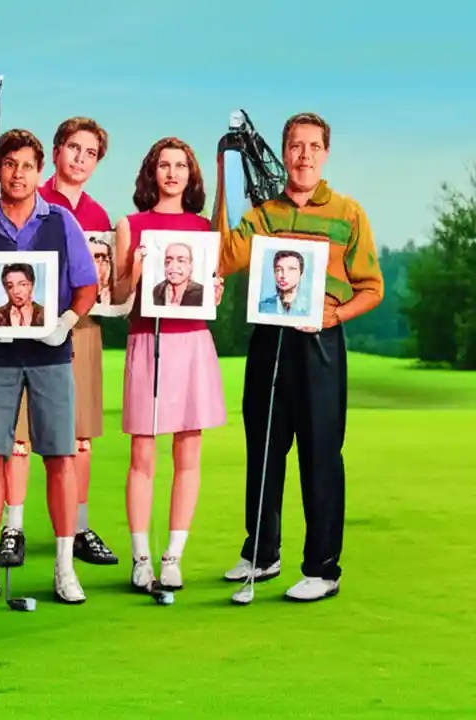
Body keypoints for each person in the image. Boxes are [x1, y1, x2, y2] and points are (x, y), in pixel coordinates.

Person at [218, 112, 382, 602]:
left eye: (313, 146)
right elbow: (224, 256)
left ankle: (322, 569)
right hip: (270, 341)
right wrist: (225, 171)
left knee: (320, 456)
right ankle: (262, 554)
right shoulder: (263, 213)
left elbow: (371, 288)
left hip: (319, 343)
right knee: (264, 451)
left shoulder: (347, 212)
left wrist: (337, 316)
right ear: (283, 151)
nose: (303, 156)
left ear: (325, 153)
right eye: (295, 146)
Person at [0, 129, 97, 604]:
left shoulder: (63, 222)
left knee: (59, 457)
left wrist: (68, 321)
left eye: (27, 166)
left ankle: (64, 568)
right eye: (9, 164)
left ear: (39, 171)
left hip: (52, 354)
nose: (18, 174)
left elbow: (87, 286)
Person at [113, 136, 226, 591]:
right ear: (152, 172)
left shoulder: (203, 229)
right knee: (142, 453)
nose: (173, 173)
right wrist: (136, 273)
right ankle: (141, 557)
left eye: (181, 165)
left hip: (192, 343)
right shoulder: (131, 224)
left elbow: (207, 295)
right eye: (164, 165)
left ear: (191, 175)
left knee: (188, 453)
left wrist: (214, 294)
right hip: (147, 340)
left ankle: (172, 555)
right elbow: (119, 297)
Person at [38, 117, 121, 566]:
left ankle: (80, 526)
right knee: (19, 437)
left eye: (90, 154)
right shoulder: (32, 198)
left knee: (81, 435)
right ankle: (11, 527)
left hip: (83, 328)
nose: (80, 159)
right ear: (56, 151)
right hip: (31, 327)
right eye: (74, 148)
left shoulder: (98, 215)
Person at [258, 249, 311, 316]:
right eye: (279, 269)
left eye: (291, 269)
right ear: (274, 273)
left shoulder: (310, 308)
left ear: (301, 273)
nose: (284, 275)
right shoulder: (263, 307)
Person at [151, 242, 205, 306]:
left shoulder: (202, 293)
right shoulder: (157, 291)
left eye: (181, 261)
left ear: (191, 266)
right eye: (168, 261)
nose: (173, 266)